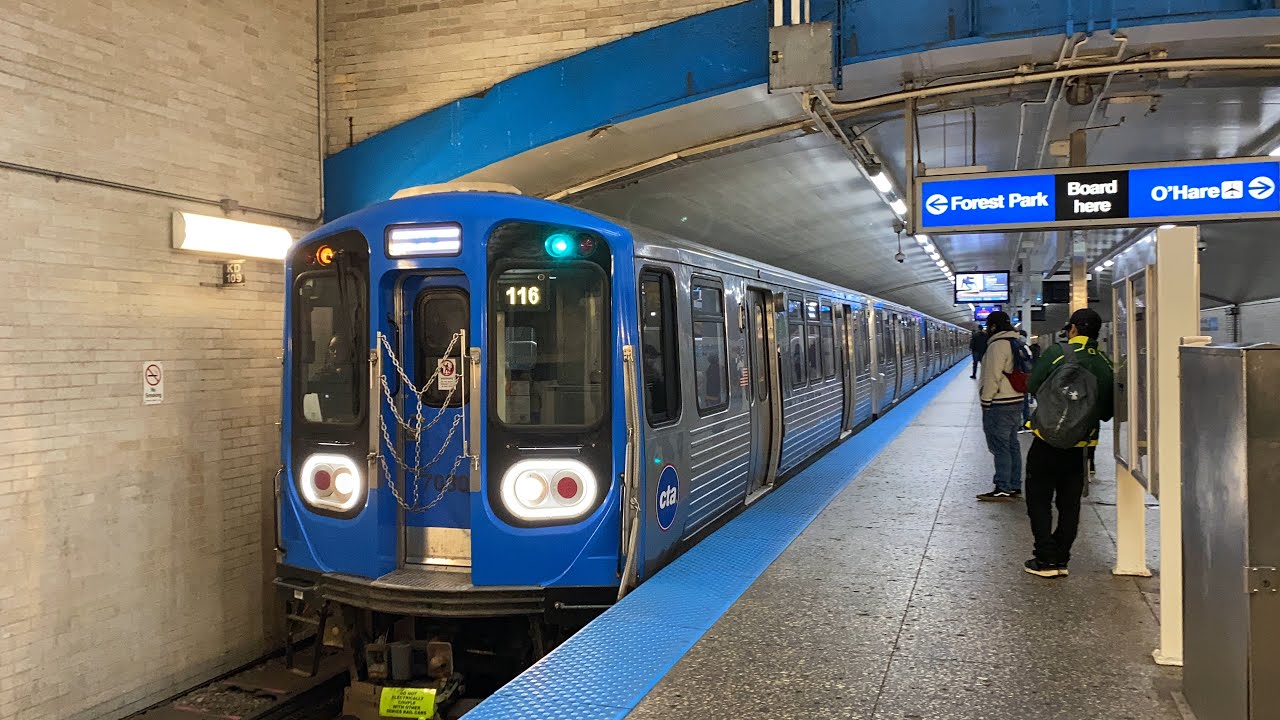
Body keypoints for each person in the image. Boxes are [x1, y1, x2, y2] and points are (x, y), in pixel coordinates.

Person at [1022, 308, 1115, 578]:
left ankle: (1045, 558)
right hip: (1080, 446)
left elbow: (1033, 385)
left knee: (1039, 499)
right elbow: (1107, 411)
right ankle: (1061, 559)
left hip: (1046, 439)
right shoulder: (1104, 363)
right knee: (1070, 503)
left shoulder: (1057, 353)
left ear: (1072, 329)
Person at [976, 311, 1026, 501]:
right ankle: (1014, 485)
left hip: (1000, 403)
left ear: (993, 327)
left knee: (1000, 447)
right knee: (1012, 445)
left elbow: (992, 377)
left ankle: (1002, 487)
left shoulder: (997, 346)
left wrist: (985, 401)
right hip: (1016, 401)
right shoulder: (1016, 342)